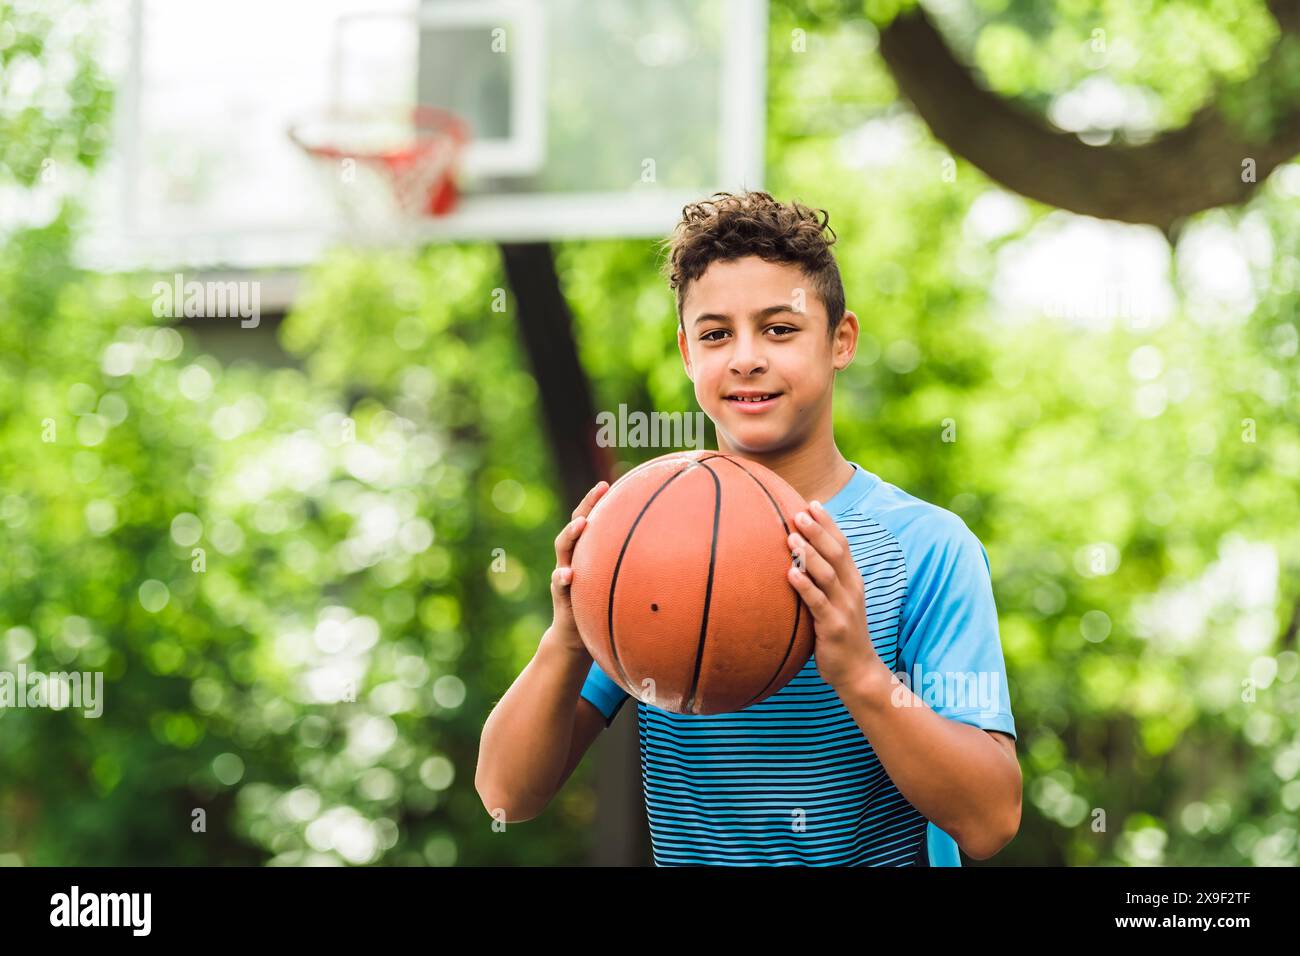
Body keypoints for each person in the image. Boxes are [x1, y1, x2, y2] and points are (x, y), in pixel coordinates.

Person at [475, 190, 1021, 865]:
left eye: (780, 329)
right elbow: (505, 796)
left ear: (840, 340)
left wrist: (861, 674)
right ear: (685, 352)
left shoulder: (927, 548)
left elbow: (991, 819)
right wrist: (568, 638)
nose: (745, 357)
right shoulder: (642, 542)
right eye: (715, 334)